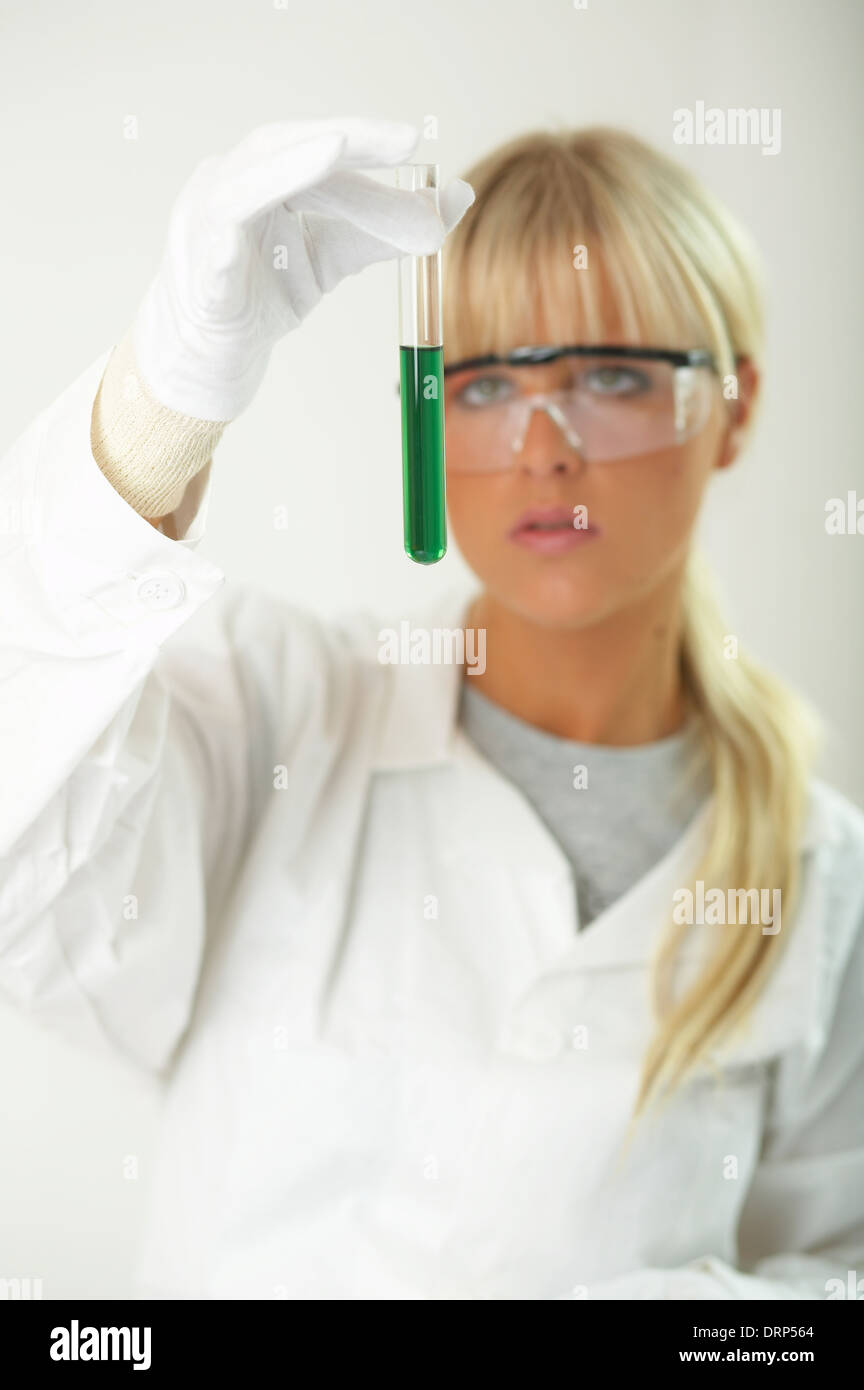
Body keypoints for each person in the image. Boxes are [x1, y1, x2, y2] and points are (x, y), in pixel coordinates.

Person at [2, 116, 863, 1302]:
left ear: (736, 404)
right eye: (488, 380)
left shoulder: (822, 879)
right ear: (424, 407)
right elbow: (27, 868)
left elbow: (832, 1272)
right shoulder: (276, 712)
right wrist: (157, 419)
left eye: (611, 375)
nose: (542, 449)